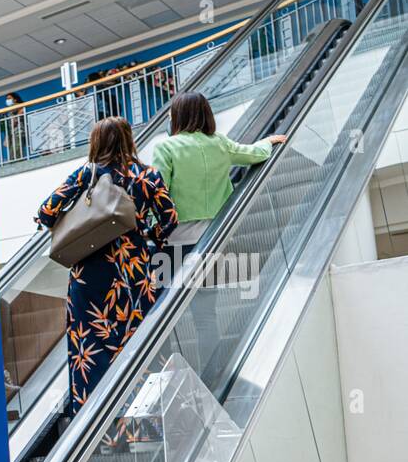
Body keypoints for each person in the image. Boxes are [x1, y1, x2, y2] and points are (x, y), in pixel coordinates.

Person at [36, 117, 178, 414]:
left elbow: (46, 212)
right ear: (128, 139)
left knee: (91, 345)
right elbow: (169, 220)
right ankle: (142, 416)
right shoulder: (147, 176)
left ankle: (93, 421)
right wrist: (146, 236)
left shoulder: (86, 174)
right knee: (138, 342)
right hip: (134, 274)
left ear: (96, 142)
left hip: (91, 274)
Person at [151, 91, 286, 244]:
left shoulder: (165, 147)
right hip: (217, 230)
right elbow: (253, 154)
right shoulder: (219, 142)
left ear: (178, 118)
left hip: (177, 235)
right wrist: (267, 141)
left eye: (171, 117)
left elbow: (158, 190)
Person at [2, 92, 28, 163]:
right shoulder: (10, 108)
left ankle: (19, 163)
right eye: (7, 99)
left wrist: (15, 119)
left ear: (15, 100)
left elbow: (21, 111)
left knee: (17, 149)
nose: (7, 100)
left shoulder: (18, 106)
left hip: (18, 132)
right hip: (12, 134)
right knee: (12, 151)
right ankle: (13, 163)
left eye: (9, 98)